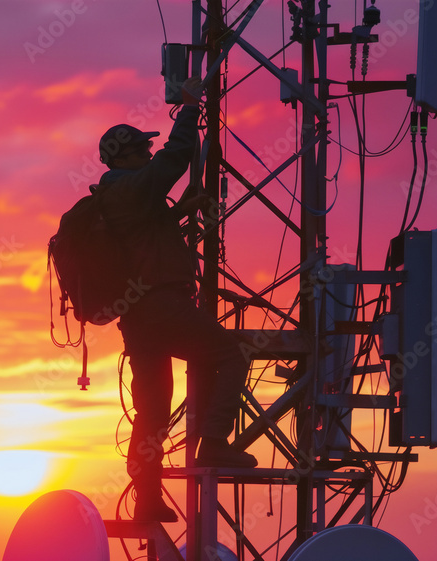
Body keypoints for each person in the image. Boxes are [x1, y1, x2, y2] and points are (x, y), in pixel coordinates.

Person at [95, 77, 257, 523]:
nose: (149, 152)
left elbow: (149, 234)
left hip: (140, 316)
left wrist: (184, 209)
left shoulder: (123, 195)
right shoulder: (130, 187)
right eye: (141, 149)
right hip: (161, 306)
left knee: (153, 409)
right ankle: (215, 442)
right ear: (124, 155)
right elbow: (174, 158)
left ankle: (147, 497)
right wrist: (189, 107)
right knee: (231, 353)